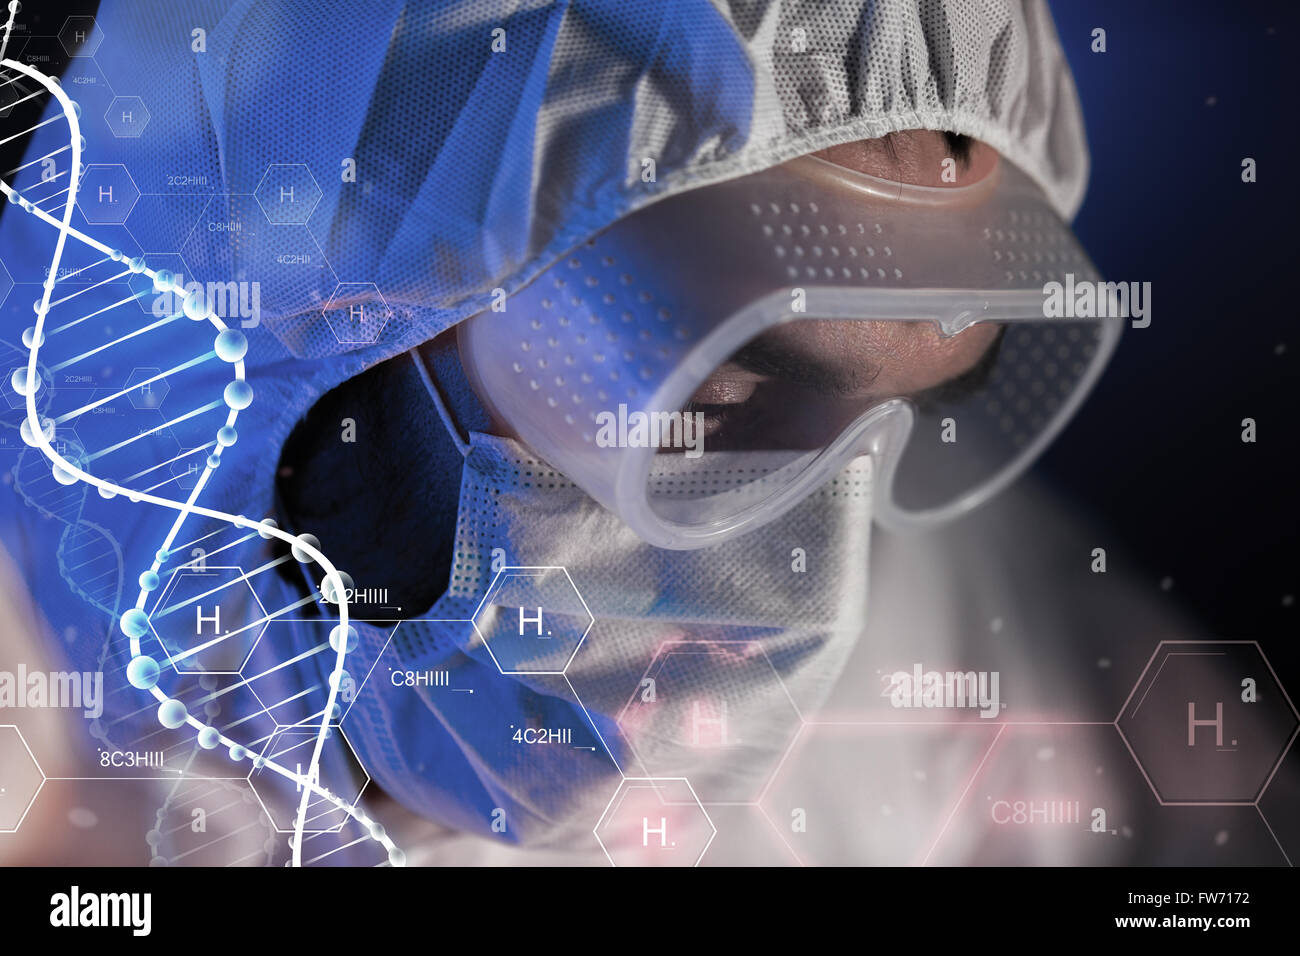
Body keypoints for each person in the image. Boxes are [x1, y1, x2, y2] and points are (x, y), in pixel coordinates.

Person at [1, 0, 1287, 867]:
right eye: (711, 403)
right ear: (319, 302)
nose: (804, 597)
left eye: (893, 421)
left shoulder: (980, 676)